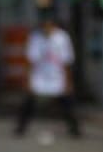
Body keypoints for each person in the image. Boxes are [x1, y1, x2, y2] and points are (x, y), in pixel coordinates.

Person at [14, 10, 80, 139]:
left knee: (67, 104)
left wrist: (68, 81)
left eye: (49, 26)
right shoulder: (36, 38)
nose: (46, 29)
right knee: (29, 103)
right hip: (40, 77)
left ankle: (74, 129)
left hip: (57, 77)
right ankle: (20, 127)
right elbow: (30, 61)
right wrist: (28, 80)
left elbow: (67, 62)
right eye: (44, 26)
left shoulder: (62, 38)